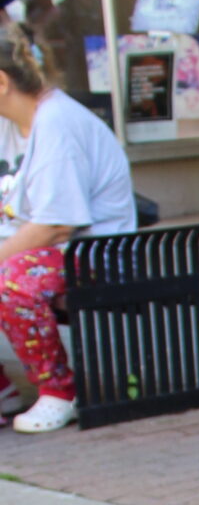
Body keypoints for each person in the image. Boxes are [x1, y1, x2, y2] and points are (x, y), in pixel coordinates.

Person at [0, 25, 135, 433]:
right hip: (37, 251)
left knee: (11, 281)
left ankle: (59, 392)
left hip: (92, 256)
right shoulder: (8, 125)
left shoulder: (57, 123)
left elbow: (54, 226)